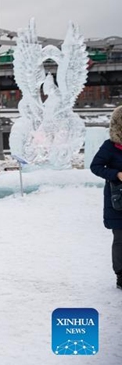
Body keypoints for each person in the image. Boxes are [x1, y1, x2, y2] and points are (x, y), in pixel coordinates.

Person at [89, 105, 122, 291]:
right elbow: (96, 166)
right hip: (118, 201)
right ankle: (121, 275)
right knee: (120, 239)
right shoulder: (110, 146)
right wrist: (116, 174)